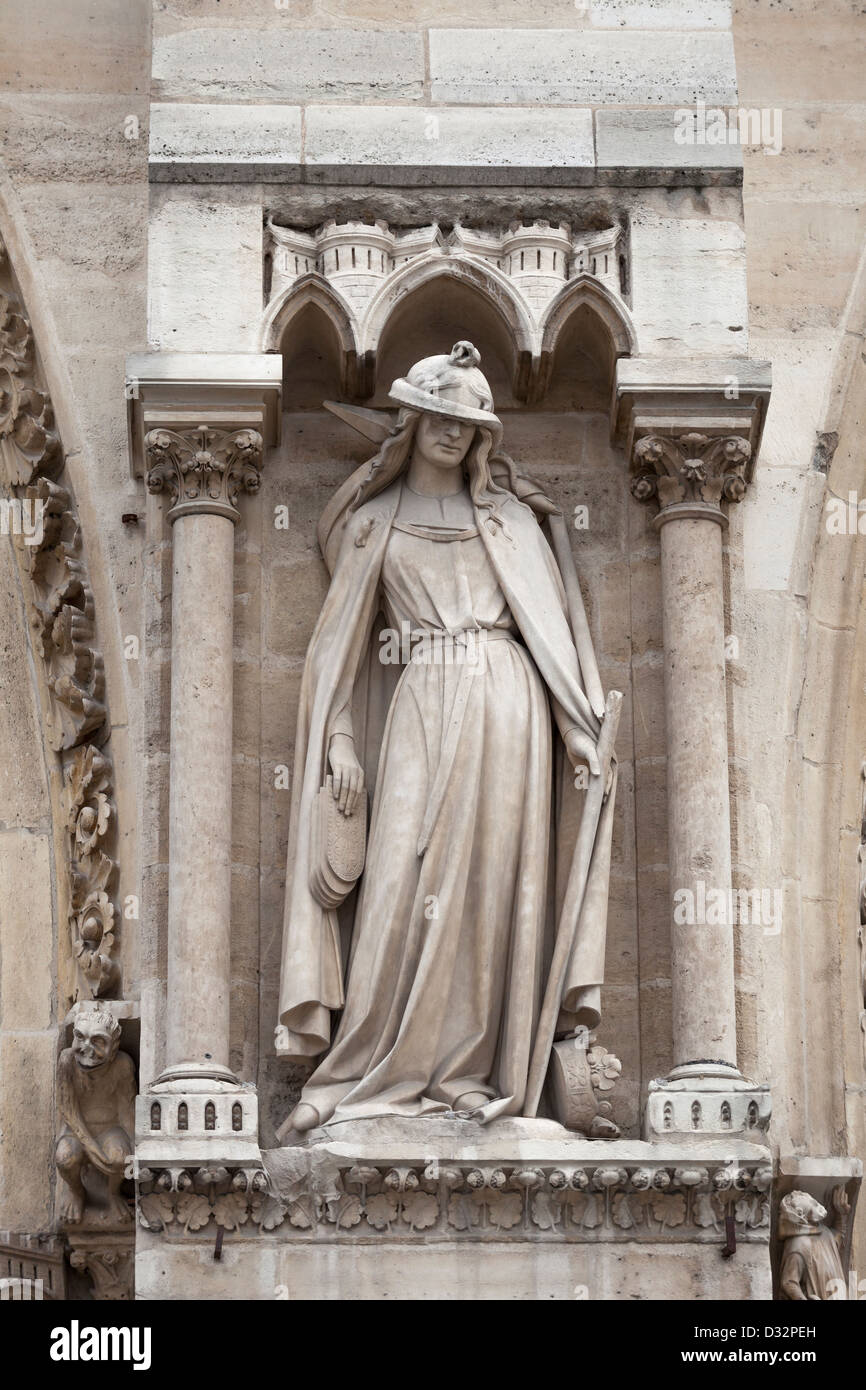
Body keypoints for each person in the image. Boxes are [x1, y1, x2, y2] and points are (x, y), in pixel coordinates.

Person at [276, 341, 616, 1132]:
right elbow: (335, 656)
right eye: (440, 416)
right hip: (421, 695)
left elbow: (550, 631)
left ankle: (465, 1070)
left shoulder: (507, 521)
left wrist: (577, 728)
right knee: (397, 879)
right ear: (412, 419)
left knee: (491, 890)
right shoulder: (373, 523)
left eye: (469, 421)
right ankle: (355, 1072)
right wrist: (338, 745)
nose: (454, 433)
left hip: (510, 704)